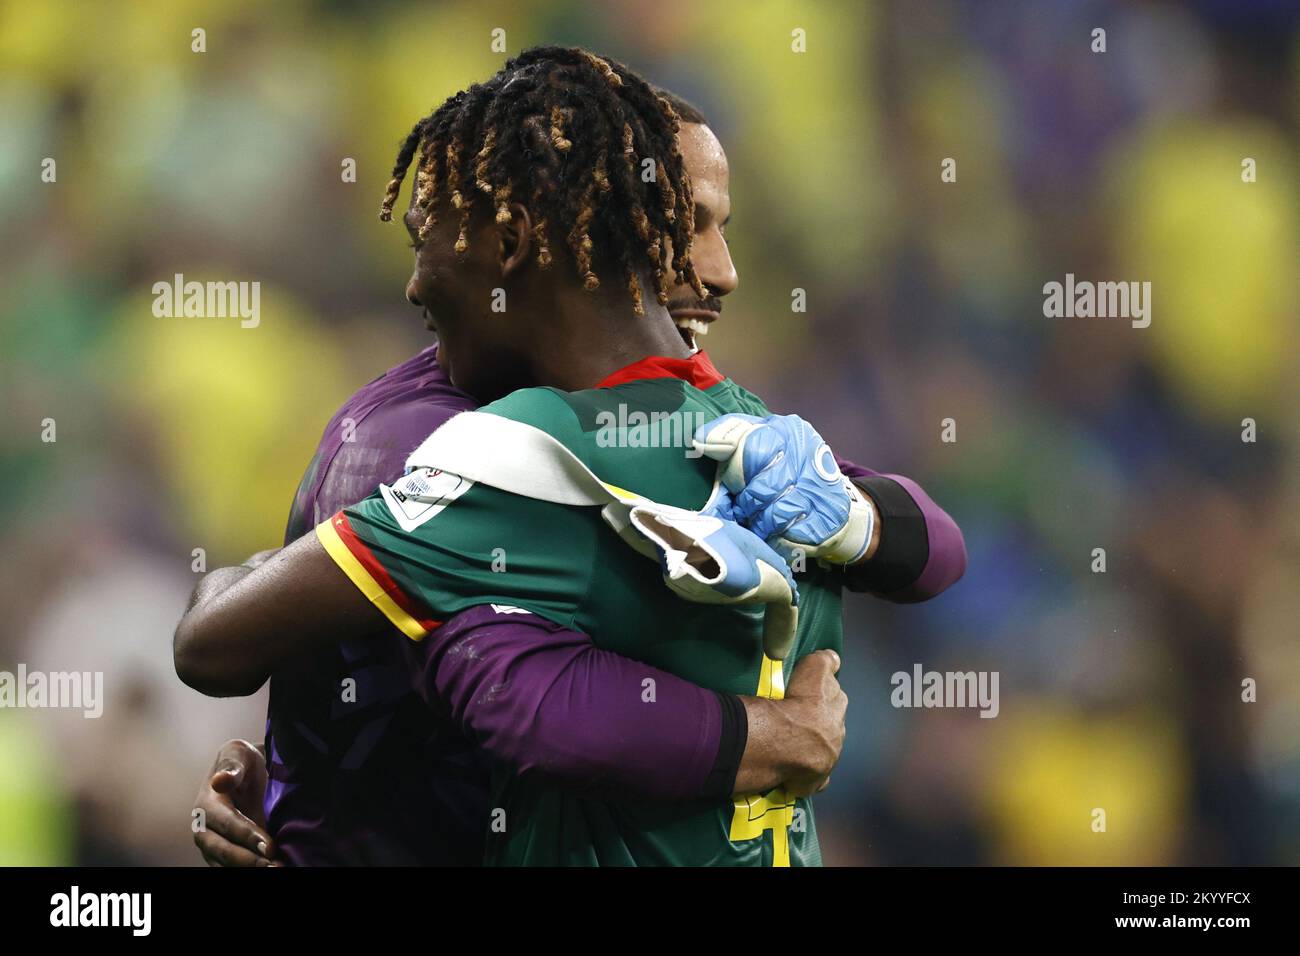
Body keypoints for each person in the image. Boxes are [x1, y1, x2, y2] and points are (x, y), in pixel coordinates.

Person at [179, 47, 965, 866]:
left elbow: (224, 638)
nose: (720, 270)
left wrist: (863, 520)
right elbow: (515, 702)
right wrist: (770, 734)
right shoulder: (434, 440)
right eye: (686, 222)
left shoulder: (709, 434)